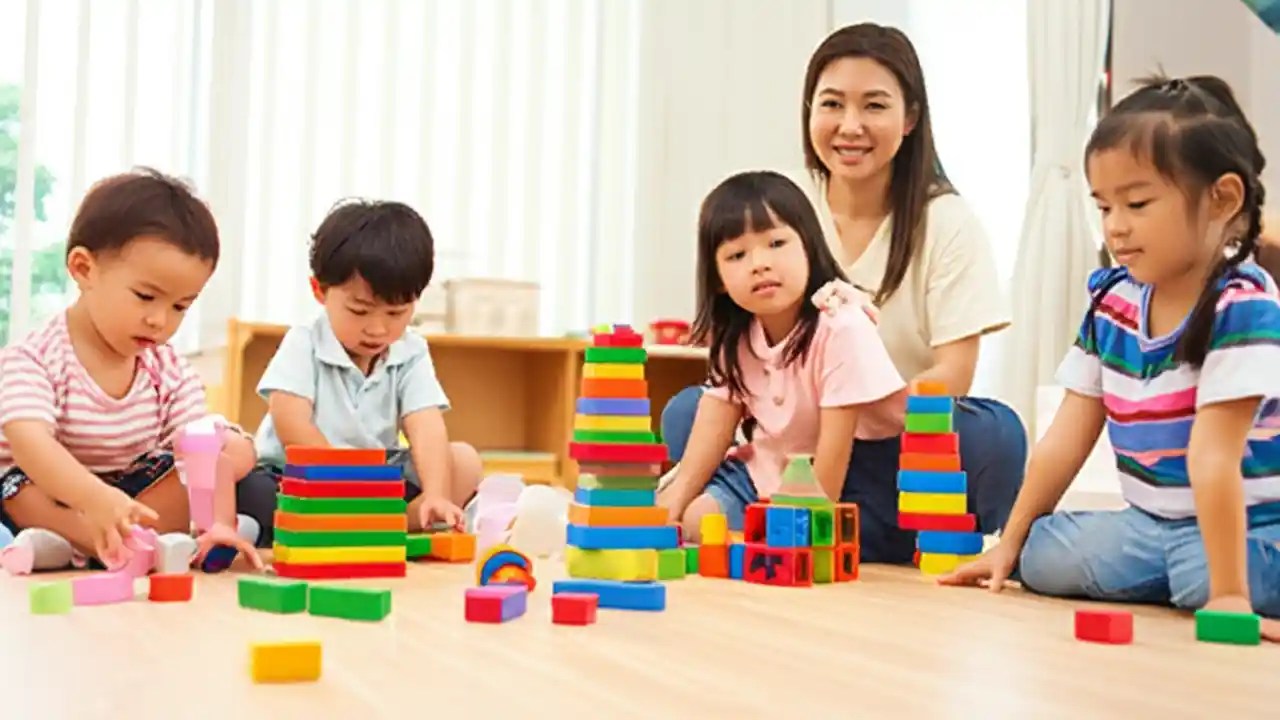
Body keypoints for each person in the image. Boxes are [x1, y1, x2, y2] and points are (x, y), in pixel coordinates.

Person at [661, 23, 1026, 560]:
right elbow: (740, 345)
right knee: (688, 411)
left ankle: (911, 527)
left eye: (874, 106)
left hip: (893, 436)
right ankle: (852, 527)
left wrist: (854, 401)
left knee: (994, 434)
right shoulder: (783, 205)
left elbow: (955, 374)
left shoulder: (946, 221)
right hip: (789, 434)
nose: (850, 126)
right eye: (832, 104)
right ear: (810, 110)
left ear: (910, 119)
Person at [940, 74, 1280, 640]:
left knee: (1202, 574)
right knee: (1044, 556)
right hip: (1150, 527)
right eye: (1104, 207)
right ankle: (1187, 579)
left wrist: (1228, 597)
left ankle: (1217, 580)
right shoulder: (1113, 300)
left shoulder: (1242, 303)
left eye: (1138, 203)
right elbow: (1068, 432)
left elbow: (1213, 456)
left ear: (1222, 198)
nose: (1116, 227)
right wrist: (1010, 542)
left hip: (1254, 524)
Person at [660, 170, 1013, 562]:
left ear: (809, 249)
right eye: (737, 255)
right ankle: (760, 530)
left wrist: (811, 528)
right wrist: (672, 502)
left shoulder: (840, 325)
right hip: (774, 464)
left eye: (776, 243)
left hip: (862, 469)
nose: (759, 264)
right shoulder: (737, 336)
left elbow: (836, 443)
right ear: (719, 280)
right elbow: (718, 413)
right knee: (697, 519)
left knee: (841, 536)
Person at [0, 169, 269, 574]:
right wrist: (92, 500)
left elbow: (198, 447)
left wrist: (218, 522)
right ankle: (86, 538)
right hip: (52, 494)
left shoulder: (167, 368)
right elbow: (30, 444)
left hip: (127, 491)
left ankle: (110, 544)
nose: (160, 320)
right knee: (17, 486)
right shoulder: (35, 357)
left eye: (181, 306)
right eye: (145, 297)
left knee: (228, 451)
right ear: (84, 269)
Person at [252, 199, 482, 533]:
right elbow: (289, 421)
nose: (377, 329)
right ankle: (364, 522)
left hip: (375, 478)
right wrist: (342, 482)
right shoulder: (304, 341)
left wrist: (436, 493)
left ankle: (383, 524)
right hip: (303, 475)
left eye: (396, 313)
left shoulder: (411, 351)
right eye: (359, 311)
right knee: (254, 492)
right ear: (319, 290)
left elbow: (425, 424)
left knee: (464, 461)